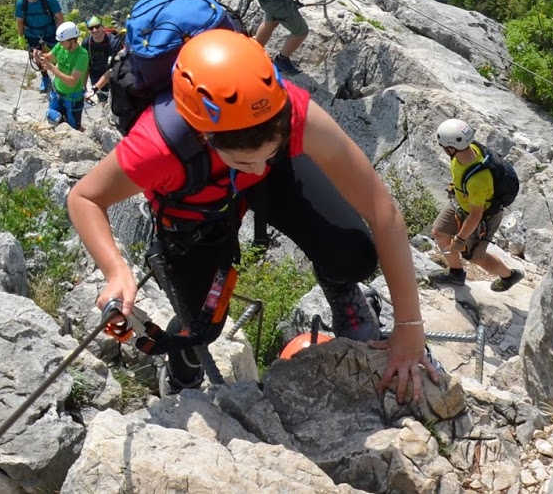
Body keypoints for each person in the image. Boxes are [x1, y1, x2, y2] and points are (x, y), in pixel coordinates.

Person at [67, 29, 438, 400]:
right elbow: (85, 197)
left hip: (274, 176)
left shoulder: (290, 112)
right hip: (195, 200)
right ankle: (183, 371)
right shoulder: (158, 148)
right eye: (246, 161)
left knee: (353, 255)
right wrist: (116, 270)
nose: (257, 167)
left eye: (268, 152)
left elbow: (381, 209)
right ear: (204, 135)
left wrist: (409, 327)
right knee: (201, 322)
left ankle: (341, 291)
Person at [430, 119, 524, 292]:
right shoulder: (465, 152)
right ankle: (455, 273)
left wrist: (460, 239)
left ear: (450, 148)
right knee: (439, 232)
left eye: (443, 146)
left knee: (474, 257)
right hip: (463, 203)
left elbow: (476, 216)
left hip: (483, 216)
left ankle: (509, 276)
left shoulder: (478, 180)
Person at [14, 0, 63, 92]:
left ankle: (61, 76)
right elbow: (19, 21)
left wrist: (61, 36)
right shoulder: (21, 3)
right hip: (33, 33)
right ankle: (45, 78)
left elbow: (59, 17)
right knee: (37, 57)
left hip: (50, 31)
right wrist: (21, 36)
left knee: (60, 54)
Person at [37, 21, 88, 131]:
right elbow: (50, 57)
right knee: (51, 116)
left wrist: (52, 68)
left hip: (72, 98)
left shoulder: (82, 55)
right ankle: (63, 121)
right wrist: (40, 56)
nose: (60, 43)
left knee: (74, 128)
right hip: (57, 93)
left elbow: (72, 81)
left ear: (72, 40)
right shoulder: (61, 47)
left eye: (63, 41)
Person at [84, 16, 124, 103]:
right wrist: (84, 88)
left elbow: (114, 68)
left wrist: (95, 88)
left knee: (117, 103)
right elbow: (85, 67)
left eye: (97, 26)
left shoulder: (114, 42)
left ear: (102, 26)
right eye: (91, 28)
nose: (95, 30)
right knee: (104, 103)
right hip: (96, 76)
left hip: (114, 75)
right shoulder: (86, 44)